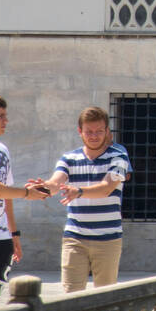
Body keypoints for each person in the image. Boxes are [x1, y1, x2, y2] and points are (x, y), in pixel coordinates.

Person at [34, 107, 132, 293]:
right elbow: (56, 182)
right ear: (80, 132)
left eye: (99, 131)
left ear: (107, 132)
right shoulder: (69, 158)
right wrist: (44, 187)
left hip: (108, 239)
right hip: (75, 237)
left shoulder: (119, 157)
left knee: (105, 298)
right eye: (89, 132)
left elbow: (107, 188)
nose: (93, 136)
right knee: (71, 296)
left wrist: (78, 191)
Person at [0, 94, 49, 306]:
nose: (6, 121)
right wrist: (26, 193)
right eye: (0, 116)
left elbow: (7, 196)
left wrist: (14, 235)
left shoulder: (3, 150)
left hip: (1, 240)